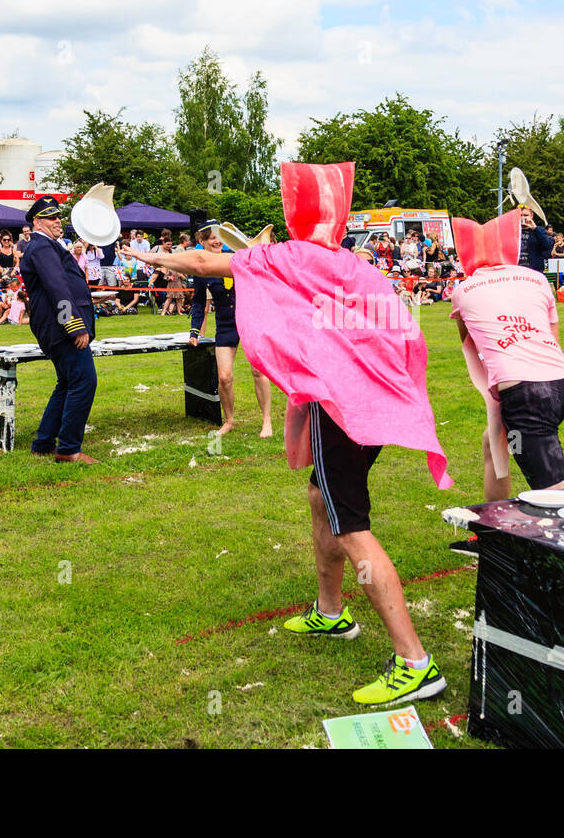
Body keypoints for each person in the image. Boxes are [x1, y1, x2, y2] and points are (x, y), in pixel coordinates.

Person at [134, 162, 452, 706]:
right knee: (319, 495)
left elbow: (206, 261)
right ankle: (331, 613)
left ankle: (414, 661)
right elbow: (403, 335)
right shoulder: (357, 266)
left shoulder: (286, 254)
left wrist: (152, 256)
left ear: (293, 209)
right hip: (367, 409)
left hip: (342, 410)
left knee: (350, 522)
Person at [449, 209, 564, 538]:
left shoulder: (463, 290)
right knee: (493, 444)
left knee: (555, 496)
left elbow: (471, 341)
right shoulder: (536, 278)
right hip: (559, 383)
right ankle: (493, 532)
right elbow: (552, 336)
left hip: (526, 395)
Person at [131, 220, 275, 437]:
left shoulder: (237, 254)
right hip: (226, 324)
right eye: (211, 239)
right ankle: (229, 421)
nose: (217, 242)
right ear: (201, 241)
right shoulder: (199, 269)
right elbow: (198, 302)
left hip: (249, 320)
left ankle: (267, 421)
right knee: (224, 376)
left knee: (258, 371)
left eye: (219, 237)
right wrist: (194, 331)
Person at [19, 197, 98, 464]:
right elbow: (56, 288)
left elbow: (63, 284)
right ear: (36, 222)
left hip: (56, 324)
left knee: (67, 383)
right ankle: (68, 449)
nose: (57, 221)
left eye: (58, 217)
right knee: (84, 381)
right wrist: (74, 325)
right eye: (50, 218)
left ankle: (43, 443)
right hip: (61, 326)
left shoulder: (47, 246)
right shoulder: (40, 247)